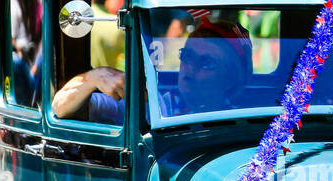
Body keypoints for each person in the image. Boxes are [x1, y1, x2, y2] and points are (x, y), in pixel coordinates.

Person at [52, 19, 253, 122]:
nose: (191, 67)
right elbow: (60, 107)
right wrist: (94, 77)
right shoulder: (152, 107)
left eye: (207, 62)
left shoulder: (242, 119)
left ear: (230, 77)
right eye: (188, 56)